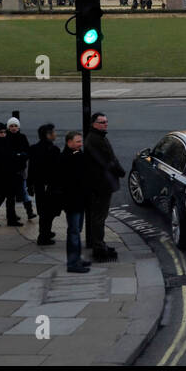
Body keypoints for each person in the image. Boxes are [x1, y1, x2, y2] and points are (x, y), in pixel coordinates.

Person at [84, 112, 124, 261]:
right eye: (102, 122)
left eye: (106, 121)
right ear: (93, 124)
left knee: (100, 216)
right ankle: (99, 247)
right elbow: (108, 161)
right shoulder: (94, 140)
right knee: (99, 216)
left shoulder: (98, 137)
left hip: (102, 183)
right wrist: (120, 171)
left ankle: (100, 244)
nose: (105, 124)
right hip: (100, 184)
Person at [56, 131, 94, 273]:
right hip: (72, 202)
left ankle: (77, 259)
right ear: (69, 142)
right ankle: (72, 263)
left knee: (76, 231)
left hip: (80, 201)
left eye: (80, 141)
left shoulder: (78, 155)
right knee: (73, 232)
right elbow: (70, 181)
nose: (80, 144)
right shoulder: (66, 158)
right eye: (77, 142)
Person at [28, 123, 63, 246]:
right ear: (48, 135)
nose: (55, 134)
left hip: (39, 185)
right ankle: (43, 236)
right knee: (49, 212)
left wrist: (29, 184)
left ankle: (45, 232)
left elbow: (31, 168)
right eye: (54, 132)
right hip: (50, 186)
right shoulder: (54, 150)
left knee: (44, 211)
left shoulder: (33, 148)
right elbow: (57, 170)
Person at [3, 117, 35, 221]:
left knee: (23, 190)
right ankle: (14, 214)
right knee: (11, 194)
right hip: (11, 170)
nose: (13, 128)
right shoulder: (6, 138)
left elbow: (27, 152)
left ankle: (29, 212)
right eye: (11, 126)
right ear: (8, 127)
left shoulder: (22, 137)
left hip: (21, 169)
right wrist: (19, 155)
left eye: (15, 126)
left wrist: (19, 155)